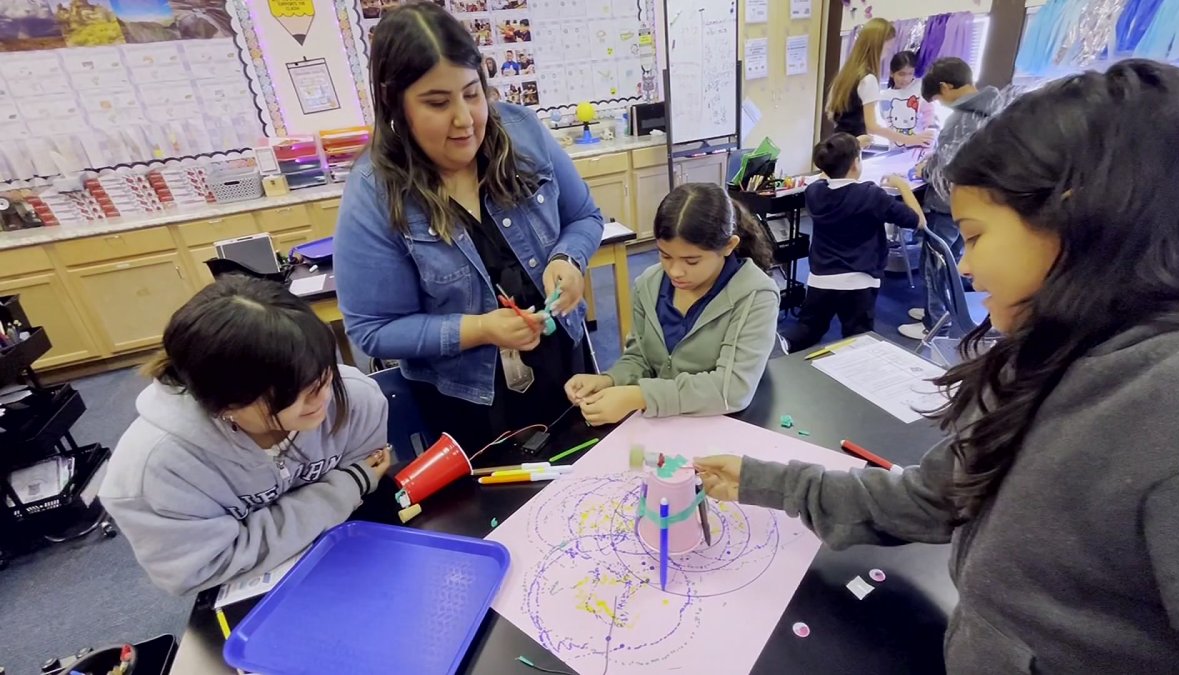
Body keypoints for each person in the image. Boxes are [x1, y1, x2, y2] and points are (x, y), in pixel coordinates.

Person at [697, 59, 1179, 672]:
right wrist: (763, 481)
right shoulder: (1046, 355)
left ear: (1076, 219)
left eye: (977, 236)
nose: (964, 268)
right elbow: (932, 496)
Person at [336, 3, 603, 453]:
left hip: (567, 372)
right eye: (437, 103)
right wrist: (479, 329)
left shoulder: (523, 133)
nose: (464, 119)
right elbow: (372, 329)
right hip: (471, 405)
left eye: (472, 93)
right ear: (393, 100)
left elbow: (584, 219)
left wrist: (567, 259)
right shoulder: (375, 192)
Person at [99, 277, 392, 596]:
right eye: (295, 391)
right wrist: (344, 488)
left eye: (322, 374)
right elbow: (202, 568)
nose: (323, 397)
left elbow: (369, 502)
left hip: (354, 564)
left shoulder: (353, 397)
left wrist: (253, 536)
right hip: (250, 597)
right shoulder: (153, 469)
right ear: (223, 402)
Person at [564, 183, 780, 424]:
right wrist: (610, 380)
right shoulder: (649, 284)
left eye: (692, 261)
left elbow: (733, 390)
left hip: (726, 427)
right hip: (664, 425)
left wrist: (639, 396)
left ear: (729, 246)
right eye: (665, 255)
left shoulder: (754, 295)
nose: (675, 271)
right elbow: (639, 358)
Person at [783, 133, 923, 351]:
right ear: (856, 164)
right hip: (860, 282)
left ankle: (780, 349)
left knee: (808, 330)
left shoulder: (814, 192)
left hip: (821, 280)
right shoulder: (871, 195)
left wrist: (846, 150)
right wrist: (902, 185)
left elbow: (825, 175)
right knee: (859, 340)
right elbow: (918, 221)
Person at [900, 57, 1005, 340]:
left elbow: (947, 171)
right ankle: (938, 310)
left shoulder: (960, 119)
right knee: (954, 258)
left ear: (946, 87)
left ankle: (934, 324)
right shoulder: (995, 108)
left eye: (937, 97)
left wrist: (925, 168)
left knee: (934, 263)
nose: (939, 104)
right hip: (978, 205)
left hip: (948, 205)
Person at [827, 18, 934, 149]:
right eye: (887, 49)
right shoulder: (868, 79)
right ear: (878, 46)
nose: (886, 54)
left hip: (837, 143)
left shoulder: (847, 74)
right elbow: (873, 126)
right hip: (850, 148)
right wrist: (911, 139)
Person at [878, 50, 936, 146]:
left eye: (910, 74)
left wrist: (929, 133)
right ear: (891, 73)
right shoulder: (884, 97)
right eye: (901, 74)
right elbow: (886, 123)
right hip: (896, 150)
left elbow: (929, 114)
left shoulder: (920, 87)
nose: (906, 79)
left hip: (921, 147)